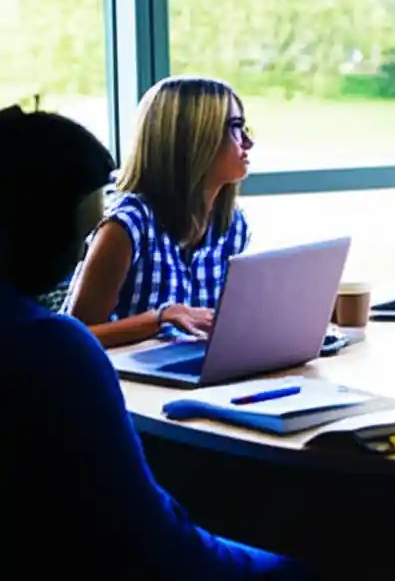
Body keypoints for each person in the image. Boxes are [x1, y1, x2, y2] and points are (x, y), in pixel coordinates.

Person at [0, 106, 305, 578]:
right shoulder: (51, 349)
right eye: (80, 235)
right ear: (35, 233)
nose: (83, 250)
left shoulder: (230, 224)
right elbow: (154, 543)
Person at [64, 76, 253, 347]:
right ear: (195, 138)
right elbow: (76, 338)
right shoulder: (126, 226)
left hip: (192, 376)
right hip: (127, 382)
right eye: (235, 128)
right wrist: (160, 319)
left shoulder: (233, 225)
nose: (247, 142)